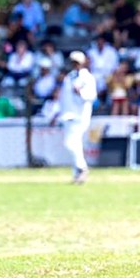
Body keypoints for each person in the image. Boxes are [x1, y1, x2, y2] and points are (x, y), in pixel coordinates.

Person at [55, 51, 97, 184]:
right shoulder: (69, 77)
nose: (74, 65)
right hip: (68, 114)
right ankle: (77, 173)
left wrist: (81, 93)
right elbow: (63, 98)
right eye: (73, 62)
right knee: (75, 144)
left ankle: (82, 167)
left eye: (77, 62)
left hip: (80, 114)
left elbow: (92, 96)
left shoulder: (87, 77)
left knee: (70, 143)